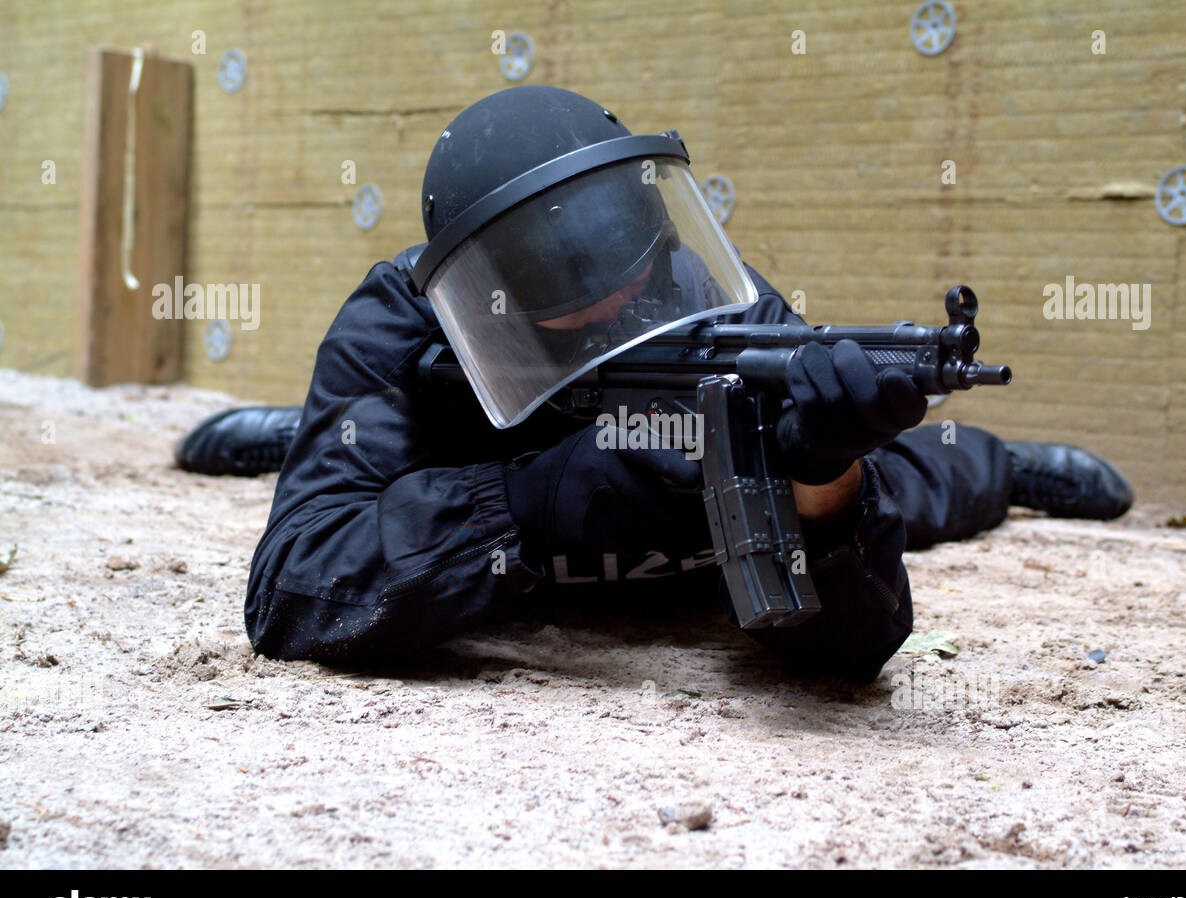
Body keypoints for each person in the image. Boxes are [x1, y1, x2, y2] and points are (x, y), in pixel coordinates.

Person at [178, 87, 1132, 680]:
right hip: (472, 484)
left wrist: (824, 480)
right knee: (355, 448)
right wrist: (531, 498)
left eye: (630, 283)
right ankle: (291, 432)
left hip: (696, 516)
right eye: (568, 309)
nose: (611, 312)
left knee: (916, 475)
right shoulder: (403, 321)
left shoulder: (727, 312)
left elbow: (857, 650)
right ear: (489, 297)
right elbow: (290, 593)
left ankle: (1010, 466)